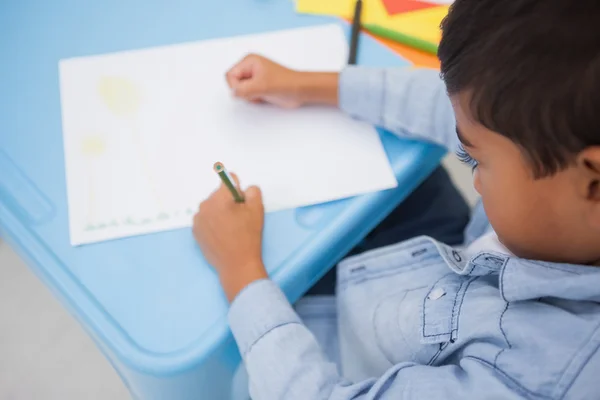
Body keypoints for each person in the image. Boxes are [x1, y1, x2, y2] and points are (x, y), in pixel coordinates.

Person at [193, 0, 600, 398]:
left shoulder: (534, 377)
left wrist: (241, 269)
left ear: (593, 184)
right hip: (437, 275)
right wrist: (308, 84)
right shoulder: (562, 170)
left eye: (472, 158)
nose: (473, 178)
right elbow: (455, 107)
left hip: (355, 354)